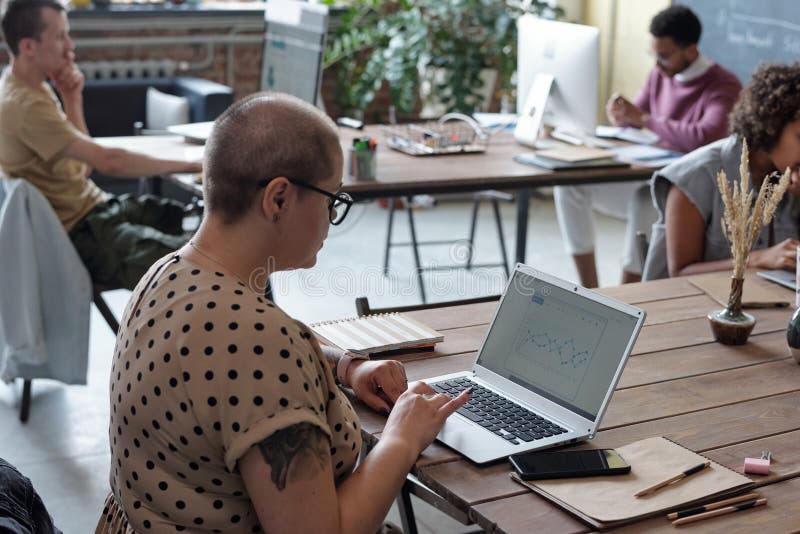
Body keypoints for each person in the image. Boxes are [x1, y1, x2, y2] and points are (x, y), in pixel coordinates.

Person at [94, 92, 473, 533]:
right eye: (331, 200)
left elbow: (249, 356)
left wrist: (347, 366)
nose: (331, 218)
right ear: (278, 198)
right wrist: (401, 439)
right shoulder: (260, 343)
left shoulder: (164, 275)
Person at [0, 0, 202, 290]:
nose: (70, 46)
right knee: (205, 263)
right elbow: (109, 162)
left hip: (97, 209)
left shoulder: (32, 87)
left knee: (187, 220)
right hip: (84, 232)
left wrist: (72, 98)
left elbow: (82, 170)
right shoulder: (23, 106)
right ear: (29, 46)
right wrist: (192, 164)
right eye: (60, 37)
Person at [554, 4, 742, 288]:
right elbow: (636, 117)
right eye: (653, 54)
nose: (657, 64)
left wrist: (645, 119)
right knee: (569, 185)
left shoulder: (723, 85)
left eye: (664, 56)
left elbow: (704, 136)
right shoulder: (660, 75)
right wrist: (622, 115)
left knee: (646, 199)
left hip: (687, 193)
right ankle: (590, 289)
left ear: (690, 51)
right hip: (646, 172)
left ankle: (626, 293)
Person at [643, 62, 800, 280]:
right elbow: (679, 273)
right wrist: (756, 258)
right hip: (686, 307)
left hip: (768, 308)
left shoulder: (789, 179)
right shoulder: (695, 176)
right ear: (771, 124)